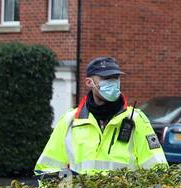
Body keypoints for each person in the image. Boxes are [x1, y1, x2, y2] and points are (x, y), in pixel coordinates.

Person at [34, 56, 167, 177]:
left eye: (116, 78)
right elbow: (48, 168)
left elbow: (157, 169)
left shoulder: (136, 120)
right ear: (89, 82)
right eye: (106, 79)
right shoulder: (69, 121)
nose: (113, 83)